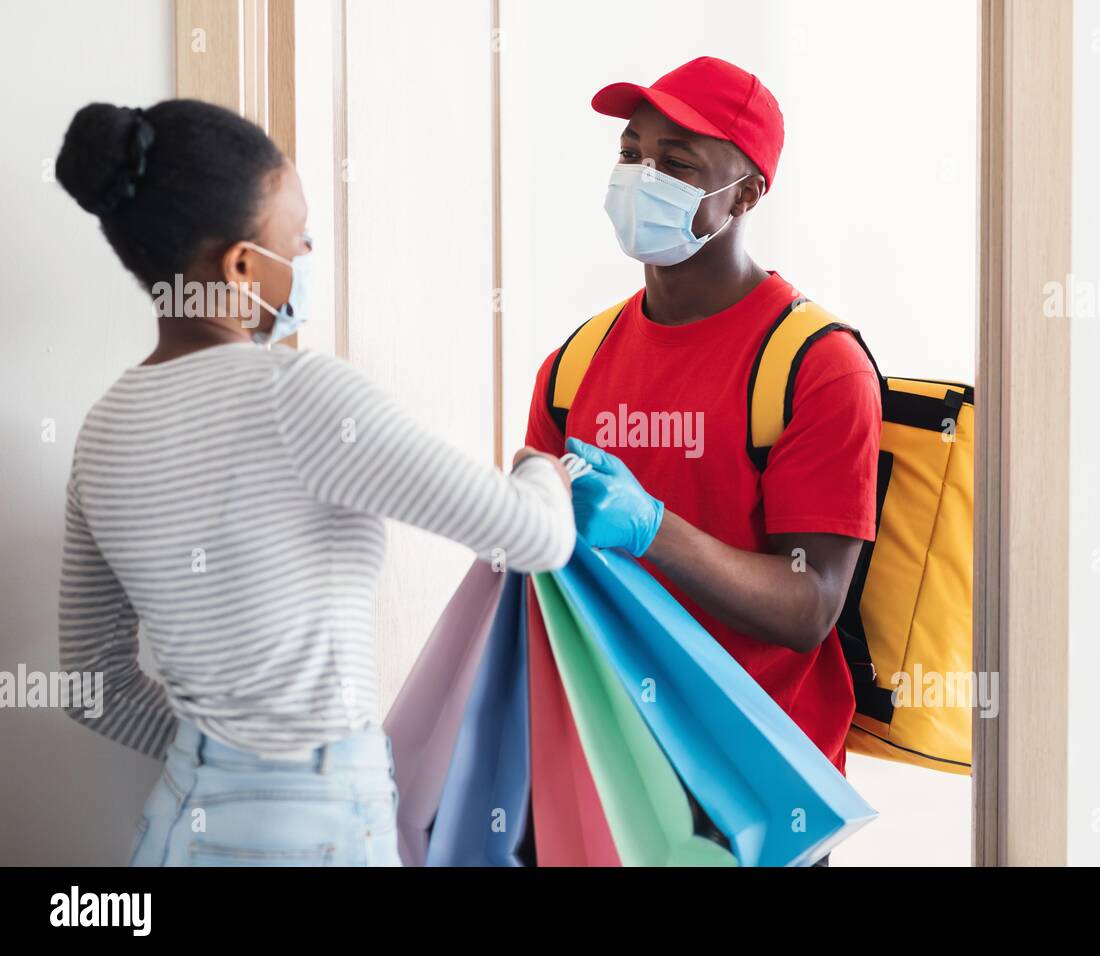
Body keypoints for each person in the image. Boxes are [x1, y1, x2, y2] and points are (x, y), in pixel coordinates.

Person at [54, 99, 575, 866]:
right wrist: (543, 463)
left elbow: (88, 681)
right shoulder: (298, 395)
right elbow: (536, 536)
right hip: (314, 832)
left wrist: (220, 759)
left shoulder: (101, 429)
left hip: (176, 827)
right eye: (296, 235)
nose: (308, 250)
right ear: (239, 266)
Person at [525, 59, 882, 865]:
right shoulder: (572, 364)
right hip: (609, 783)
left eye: (677, 163)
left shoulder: (815, 365)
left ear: (748, 193)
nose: (642, 177)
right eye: (631, 154)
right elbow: (543, 597)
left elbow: (809, 607)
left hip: (754, 806)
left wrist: (652, 528)